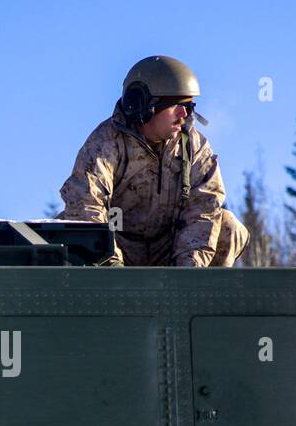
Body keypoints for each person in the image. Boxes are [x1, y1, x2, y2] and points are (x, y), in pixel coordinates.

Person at [59, 55, 248, 267]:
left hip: (171, 249)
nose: (184, 114)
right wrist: (112, 270)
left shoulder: (194, 147)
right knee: (64, 232)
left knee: (228, 226)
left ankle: (201, 298)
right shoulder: (106, 142)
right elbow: (86, 205)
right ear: (142, 104)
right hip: (116, 249)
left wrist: (188, 273)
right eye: (175, 104)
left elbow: (204, 208)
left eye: (189, 106)